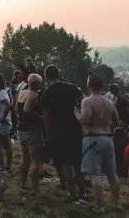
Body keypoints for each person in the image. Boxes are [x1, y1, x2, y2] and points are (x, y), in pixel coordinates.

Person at [40, 65, 84, 200]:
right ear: (59, 74)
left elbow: (46, 116)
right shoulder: (73, 88)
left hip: (58, 132)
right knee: (78, 163)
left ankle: (73, 193)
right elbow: (83, 104)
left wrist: (47, 133)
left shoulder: (46, 94)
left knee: (66, 163)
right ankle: (83, 191)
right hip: (76, 129)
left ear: (46, 77)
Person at [78, 73, 120, 213]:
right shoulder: (109, 102)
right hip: (107, 138)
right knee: (112, 175)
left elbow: (86, 120)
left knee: (96, 176)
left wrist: (76, 114)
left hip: (93, 139)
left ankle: (99, 207)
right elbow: (116, 120)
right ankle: (115, 204)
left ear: (89, 85)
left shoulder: (87, 101)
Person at [16, 73, 44, 193]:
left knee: (25, 158)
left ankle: (23, 183)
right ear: (37, 84)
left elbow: (18, 110)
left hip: (21, 128)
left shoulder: (22, 92)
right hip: (31, 130)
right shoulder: (33, 94)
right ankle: (35, 189)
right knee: (36, 161)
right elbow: (27, 110)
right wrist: (41, 118)